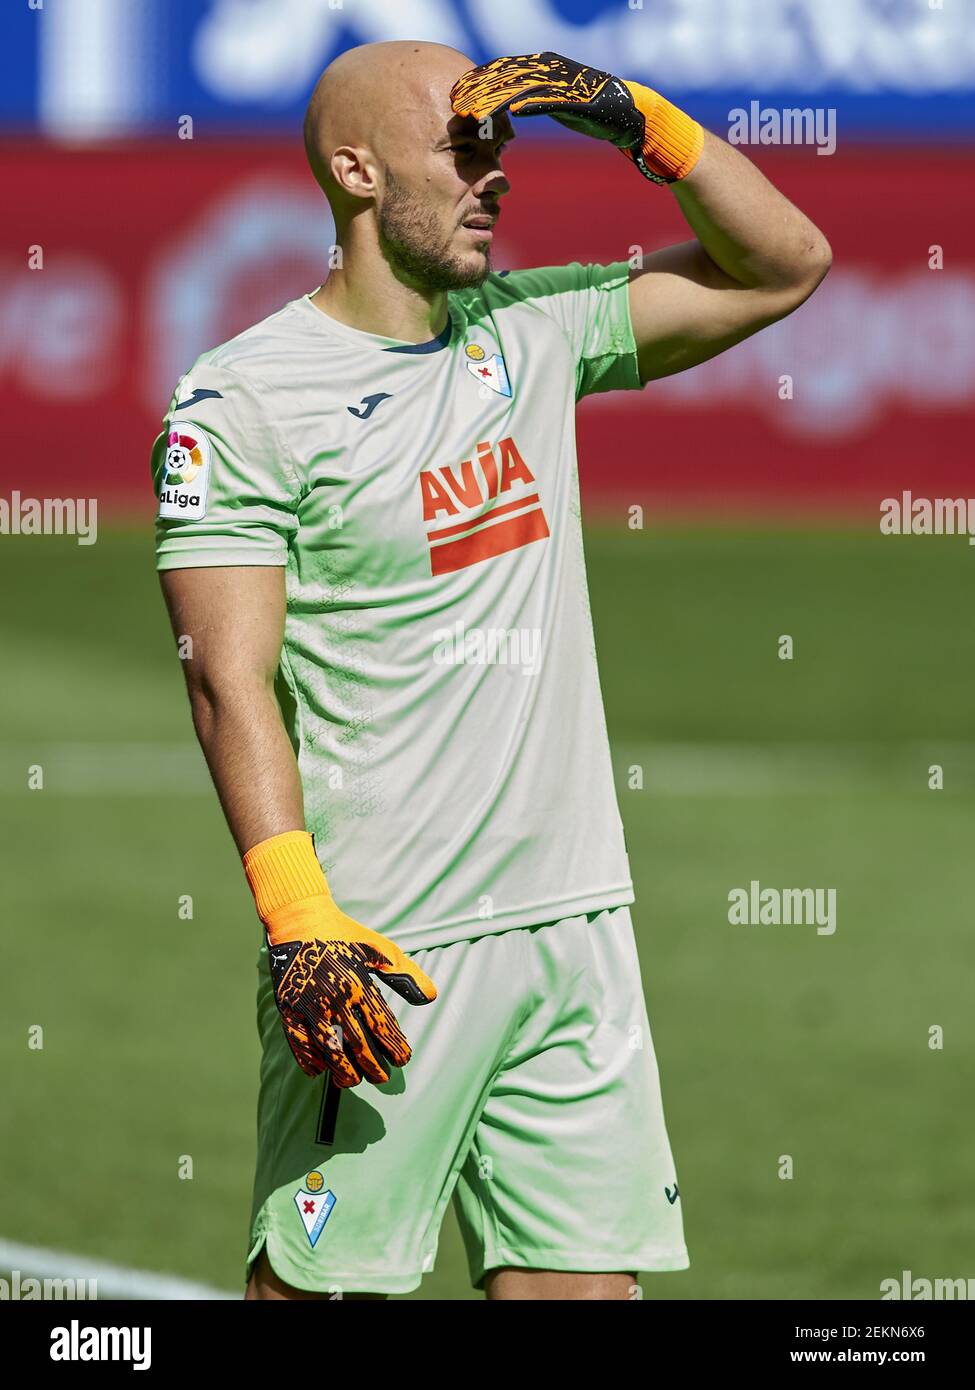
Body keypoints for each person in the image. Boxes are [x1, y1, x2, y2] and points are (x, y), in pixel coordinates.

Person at [152, 40, 830, 1301]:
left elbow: (786, 265)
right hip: (384, 948)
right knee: (317, 1290)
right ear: (357, 170)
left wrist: (639, 121)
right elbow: (223, 681)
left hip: (576, 928)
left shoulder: (533, 329)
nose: (495, 171)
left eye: (503, 142)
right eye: (461, 147)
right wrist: (300, 917)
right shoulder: (240, 401)